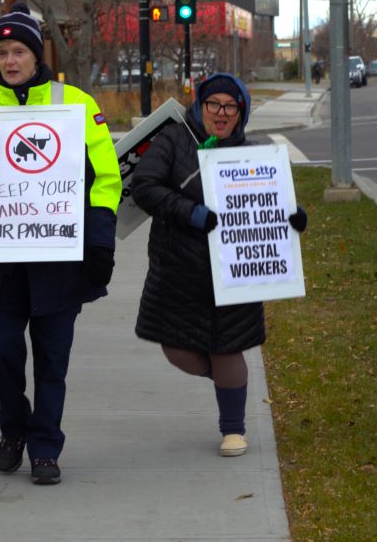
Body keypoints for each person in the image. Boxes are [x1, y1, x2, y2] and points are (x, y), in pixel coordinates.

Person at [0, 2, 121, 485]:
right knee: (1, 350)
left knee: (52, 361)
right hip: (1, 260)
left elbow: (105, 179)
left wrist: (100, 243)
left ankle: (45, 448)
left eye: (18, 51)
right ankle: (13, 428)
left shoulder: (75, 103)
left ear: (36, 55)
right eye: (1, 53)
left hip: (59, 258)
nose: (10, 61)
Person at [129, 73, 308, 457]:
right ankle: (230, 384)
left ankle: (233, 428)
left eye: (231, 106)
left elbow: (273, 203)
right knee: (177, 350)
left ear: (240, 112)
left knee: (226, 347)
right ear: (200, 106)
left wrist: (294, 218)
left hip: (234, 271)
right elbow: (144, 185)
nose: (221, 113)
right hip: (178, 267)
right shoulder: (174, 140)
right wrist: (189, 212)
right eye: (214, 104)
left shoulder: (255, 154)